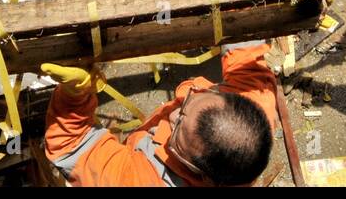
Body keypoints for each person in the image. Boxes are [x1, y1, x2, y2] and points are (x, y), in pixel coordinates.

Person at [42, 40, 275, 187]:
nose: (173, 115)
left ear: (200, 174)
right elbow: (247, 58)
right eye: (192, 99)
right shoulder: (252, 115)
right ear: (230, 97)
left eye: (177, 131)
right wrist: (235, 8)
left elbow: (70, 147)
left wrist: (74, 96)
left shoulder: (137, 180)